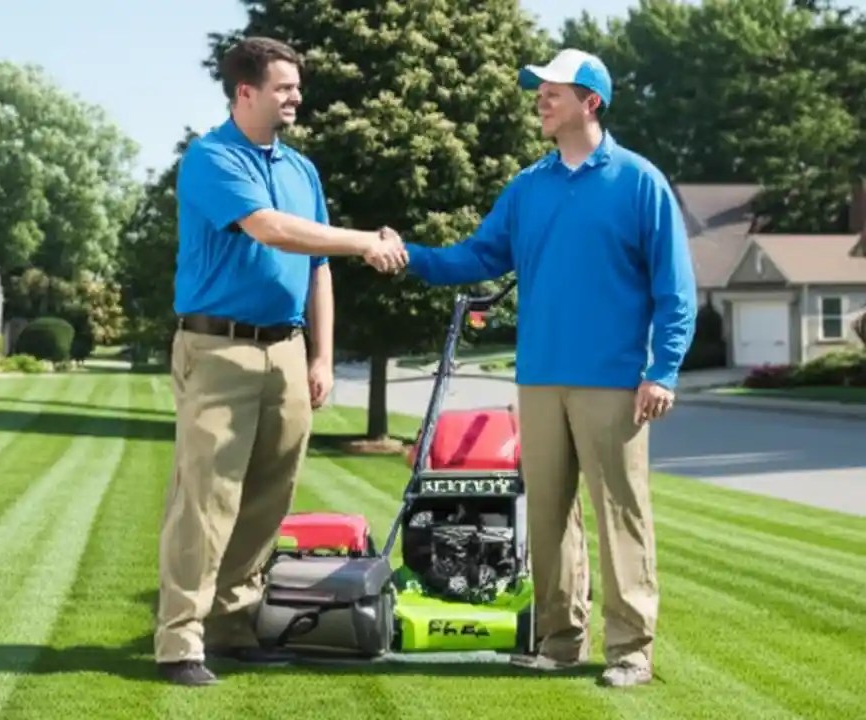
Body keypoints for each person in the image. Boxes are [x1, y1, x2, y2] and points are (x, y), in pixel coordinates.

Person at [379, 48, 696, 688]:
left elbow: (675, 288)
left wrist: (662, 370)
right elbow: (477, 256)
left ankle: (631, 649)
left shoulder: (639, 182)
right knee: (548, 516)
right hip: (540, 378)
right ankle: (559, 638)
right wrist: (407, 255)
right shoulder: (528, 188)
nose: (540, 99)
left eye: (552, 90)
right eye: (539, 90)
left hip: (614, 382)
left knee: (621, 516)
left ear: (591, 101)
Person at [154, 36, 409, 687]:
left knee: (269, 496)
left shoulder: (302, 170)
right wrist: (367, 241)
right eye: (284, 87)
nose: (296, 96)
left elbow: (315, 267)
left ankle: (233, 626)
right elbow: (271, 229)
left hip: (287, 352)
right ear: (246, 91)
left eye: (296, 86)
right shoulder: (211, 159)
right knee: (205, 499)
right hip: (218, 350)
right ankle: (180, 641)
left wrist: (322, 355)